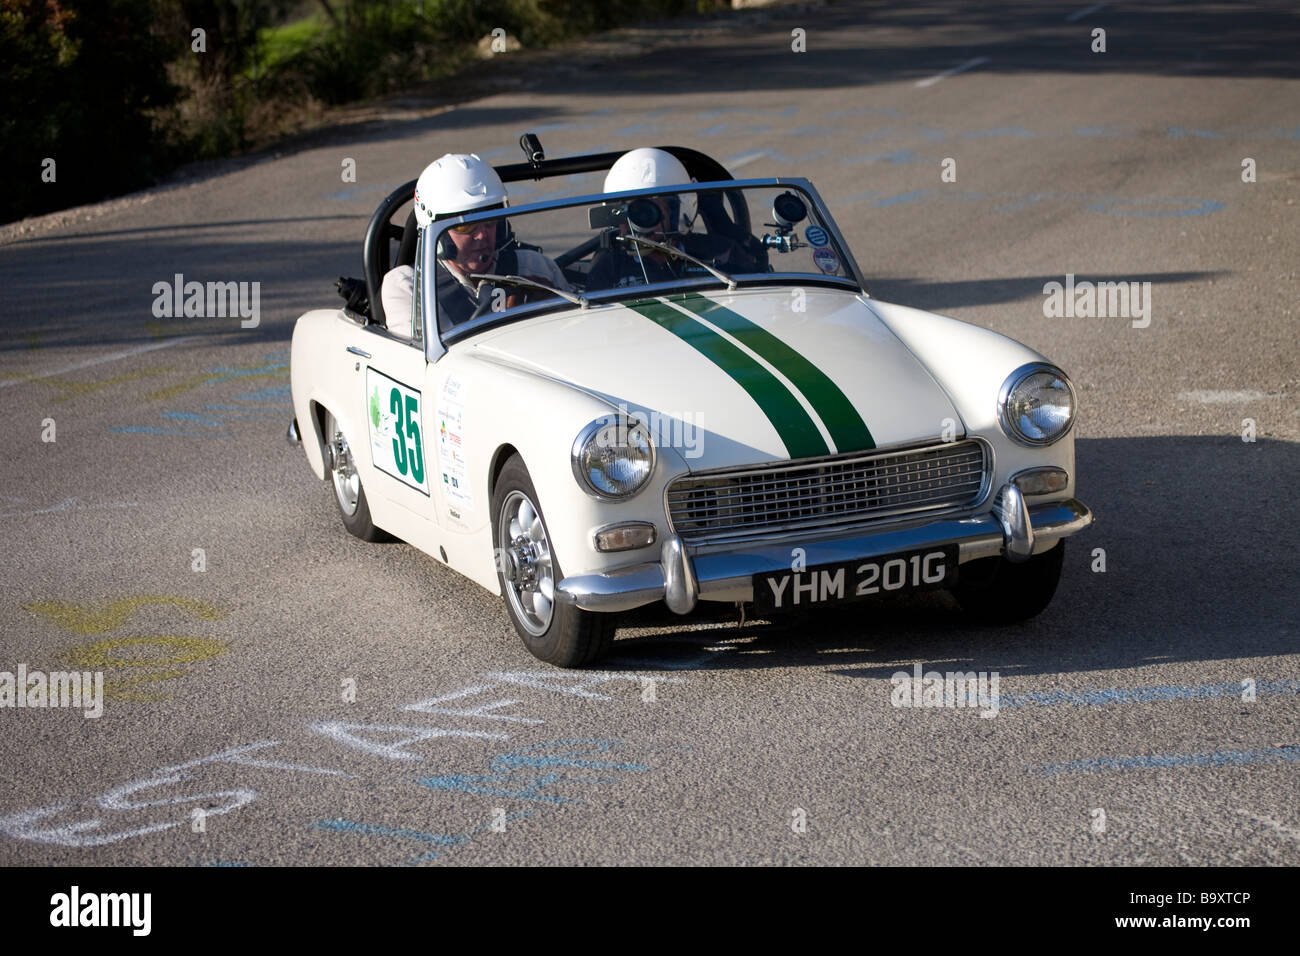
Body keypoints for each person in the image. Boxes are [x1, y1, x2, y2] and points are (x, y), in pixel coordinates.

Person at [381, 153, 570, 335]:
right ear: (436, 230)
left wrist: (557, 304)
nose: (482, 235)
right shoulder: (409, 287)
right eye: (465, 226)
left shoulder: (536, 266)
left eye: (490, 220)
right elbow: (428, 362)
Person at [585, 147, 757, 292]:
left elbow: (755, 298)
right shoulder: (610, 266)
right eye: (625, 210)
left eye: (646, 211)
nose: (636, 221)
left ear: (677, 209)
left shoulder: (720, 253)